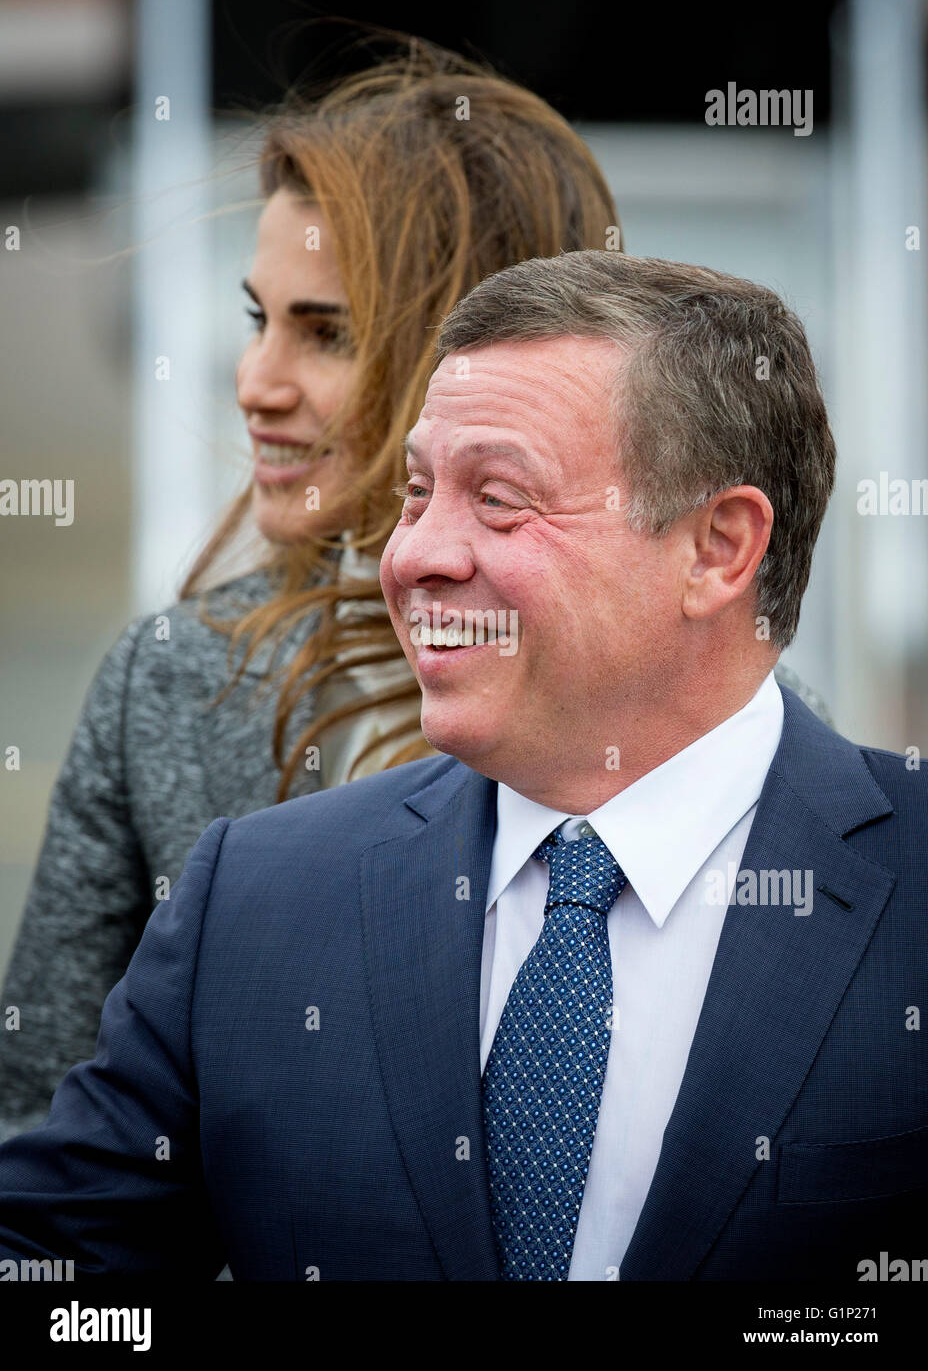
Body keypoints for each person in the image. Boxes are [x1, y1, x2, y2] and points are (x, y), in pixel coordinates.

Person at [0, 251, 921, 1282]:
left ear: (716, 546)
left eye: (497, 499)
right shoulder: (252, 903)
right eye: (418, 491)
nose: (413, 555)